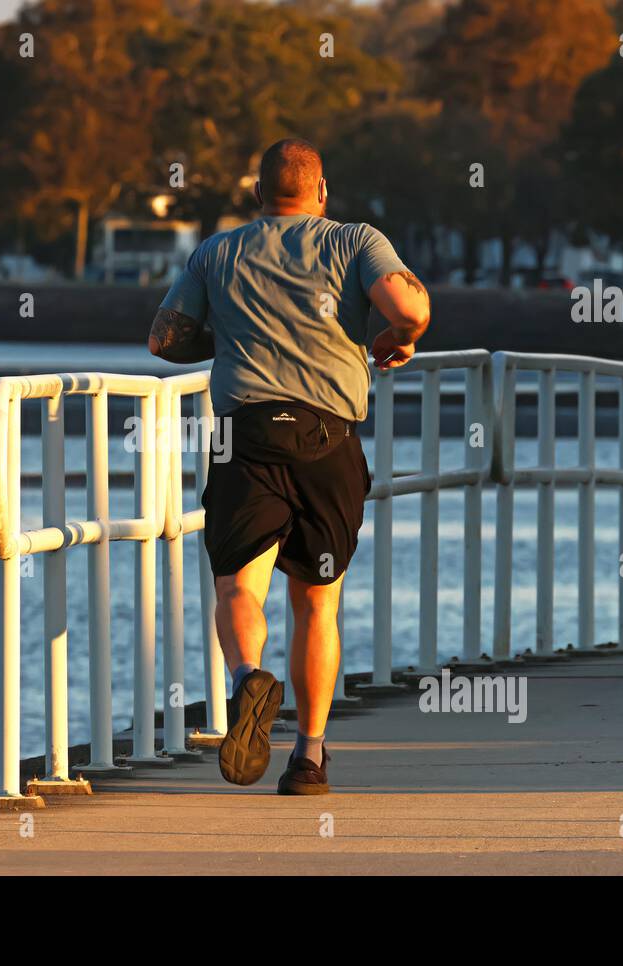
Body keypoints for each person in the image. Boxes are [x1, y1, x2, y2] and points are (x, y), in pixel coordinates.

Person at [148, 138, 430, 795]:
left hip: (245, 440)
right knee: (317, 602)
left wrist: (231, 334)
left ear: (256, 195)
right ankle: (308, 759)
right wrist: (398, 338)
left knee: (238, 589)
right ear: (322, 191)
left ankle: (249, 677)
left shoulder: (218, 251)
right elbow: (409, 307)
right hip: (328, 440)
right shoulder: (355, 241)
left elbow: (164, 339)